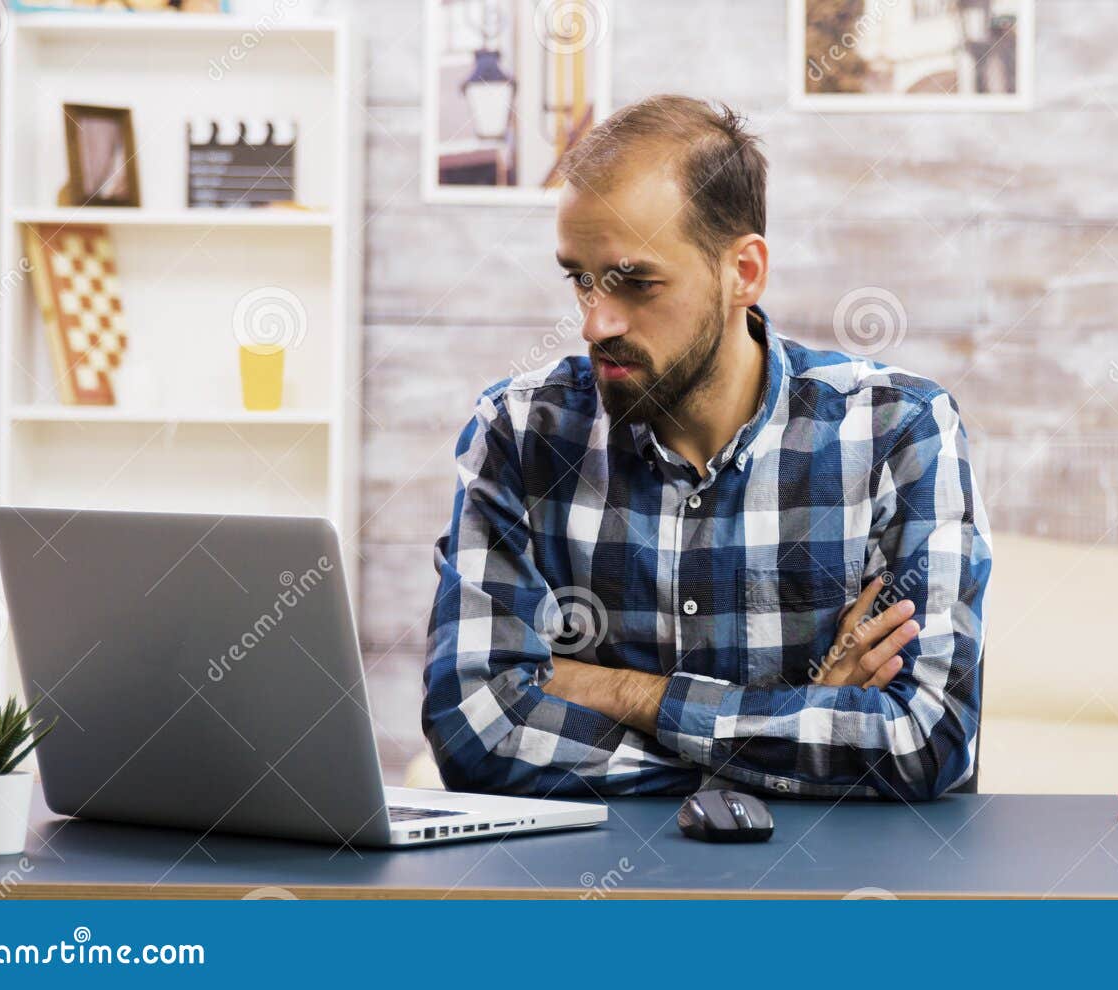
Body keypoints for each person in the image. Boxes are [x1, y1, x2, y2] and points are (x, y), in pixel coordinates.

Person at [421, 95, 992, 801]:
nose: (596, 322)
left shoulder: (897, 429)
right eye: (580, 278)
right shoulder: (518, 431)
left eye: (636, 283)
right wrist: (806, 725)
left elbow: (922, 740)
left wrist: (623, 694)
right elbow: (474, 732)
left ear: (744, 272)